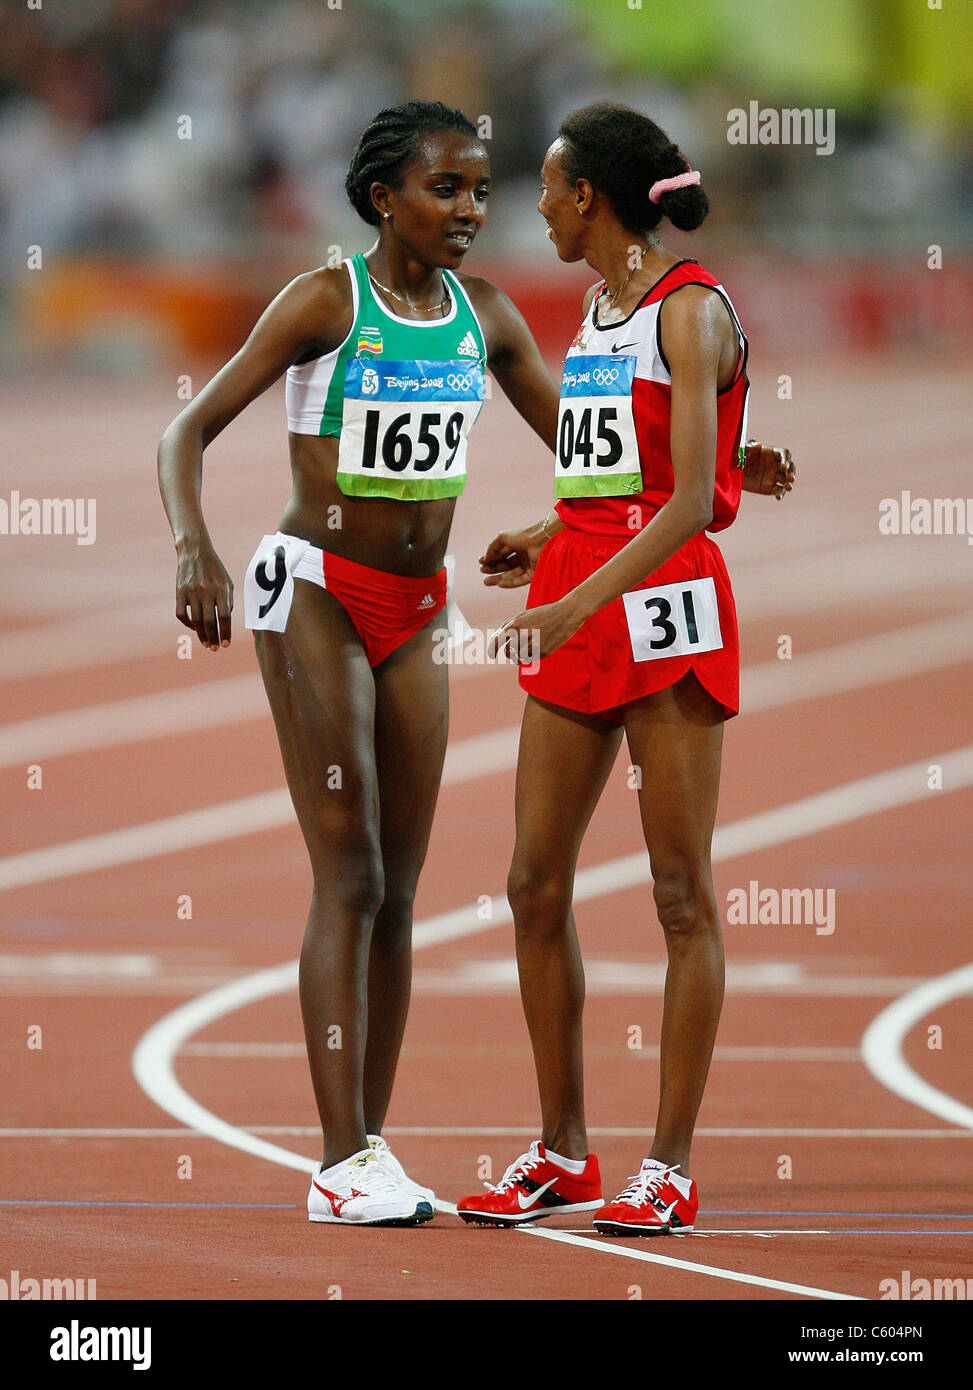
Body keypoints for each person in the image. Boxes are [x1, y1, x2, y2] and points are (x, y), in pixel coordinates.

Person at [157, 100, 565, 1226]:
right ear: (384, 197)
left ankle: (369, 1147)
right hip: (318, 594)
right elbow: (183, 430)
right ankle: (337, 1159)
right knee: (351, 874)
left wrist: (710, 455)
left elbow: (591, 449)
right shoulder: (327, 301)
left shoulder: (488, 318)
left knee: (400, 891)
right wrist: (195, 547)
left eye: (483, 190)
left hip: (421, 610)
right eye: (447, 189)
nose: (472, 211)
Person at [457, 101, 795, 1235]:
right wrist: (545, 536)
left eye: (546, 191)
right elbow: (613, 480)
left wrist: (577, 595)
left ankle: (669, 1165)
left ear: (589, 196)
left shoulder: (687, 310)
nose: (534, 210)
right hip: (586, 599)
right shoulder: (599, 309)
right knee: (532, 884)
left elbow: (692, 501)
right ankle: (561, 1150)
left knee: (679, 892)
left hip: (665, 616)